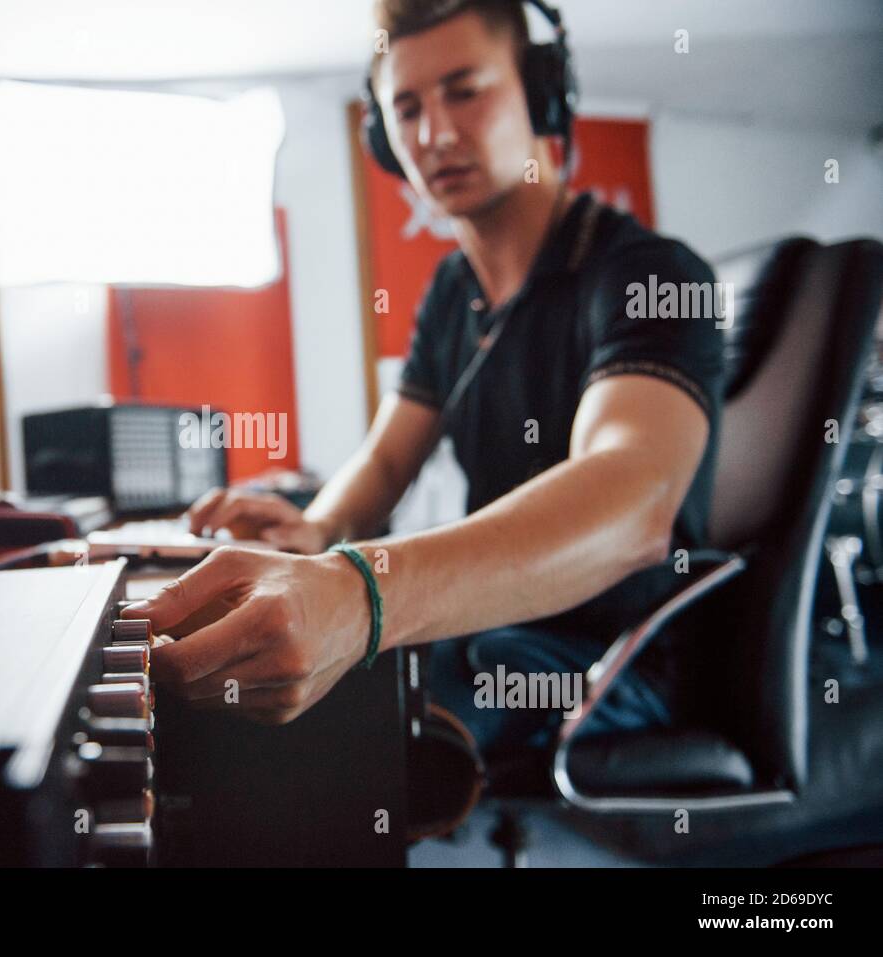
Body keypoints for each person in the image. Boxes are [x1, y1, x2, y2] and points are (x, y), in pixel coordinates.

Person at [122, 0, 724, 763]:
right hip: (489, 629)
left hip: (611, 653)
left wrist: (360, 590)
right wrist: (315, 529)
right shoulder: (452, 291)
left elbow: (634, 501)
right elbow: (385, 460)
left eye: (465, 91)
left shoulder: (650, 274)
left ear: (541, 94)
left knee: (305, 734)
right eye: (406, 109)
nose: (434, 134)